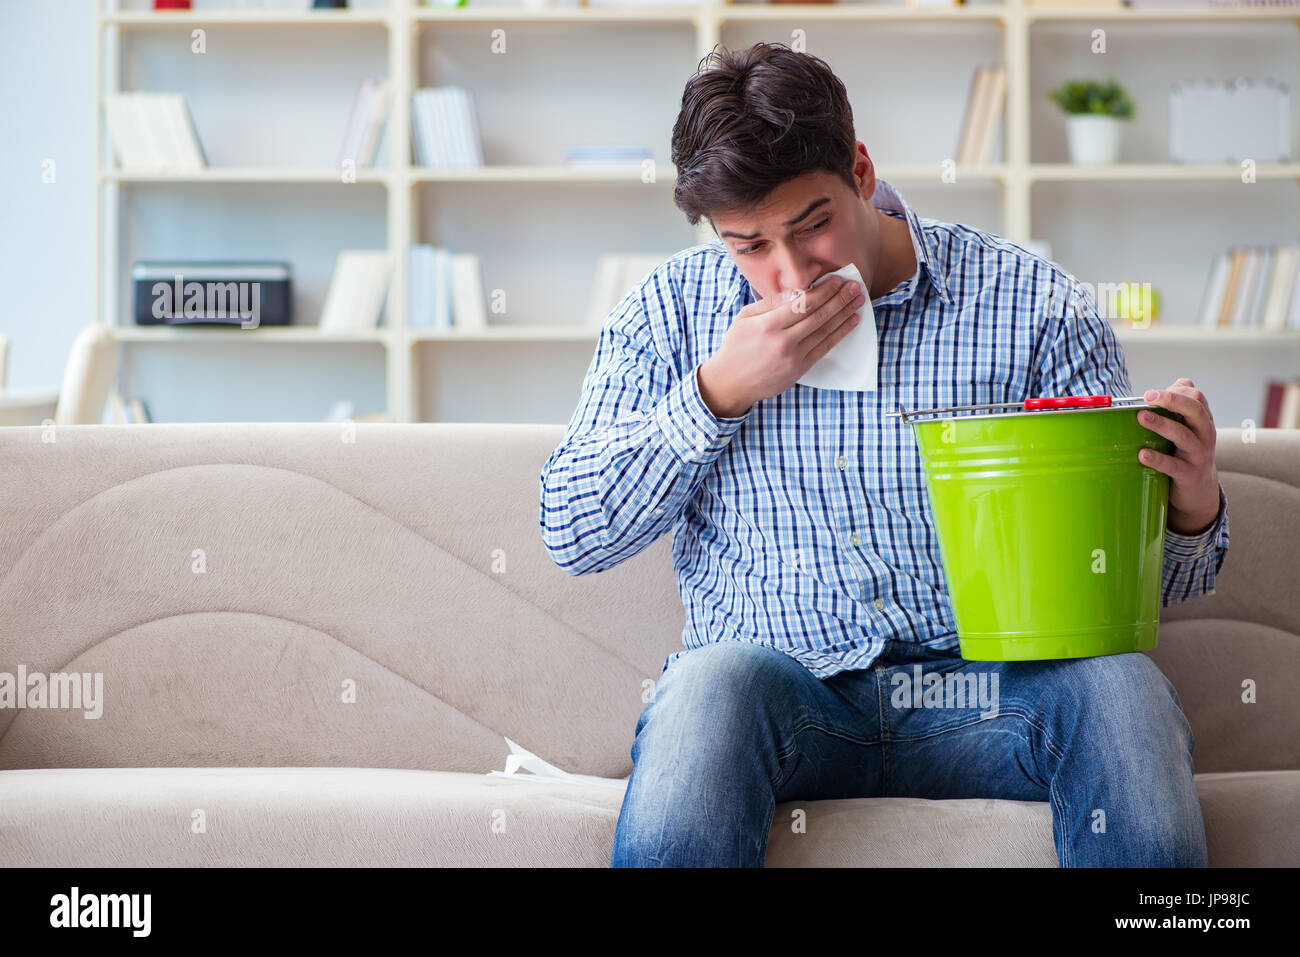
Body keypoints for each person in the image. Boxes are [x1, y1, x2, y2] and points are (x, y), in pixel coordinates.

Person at [538, 42, 1229, 867]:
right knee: (705, 688)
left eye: (812, 226)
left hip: (985, 696)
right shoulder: (667, 313)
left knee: (1122, 688)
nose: (789, 276)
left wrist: (1191, 502)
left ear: (861, 171)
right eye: (747, 246)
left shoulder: (1034, 306)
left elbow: (1137, 593)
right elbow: (571, 532)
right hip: (782, 698)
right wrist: (717, 392)